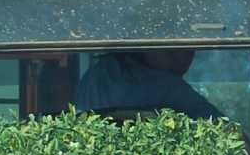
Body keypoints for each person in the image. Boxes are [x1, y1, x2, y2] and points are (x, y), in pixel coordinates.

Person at [74, 47, 223, 123]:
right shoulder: (166, 87)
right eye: (171, 51)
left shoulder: (94, 75)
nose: (183, 60)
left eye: (190, 52)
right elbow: (223, 128)